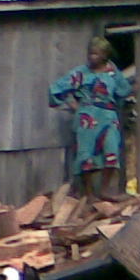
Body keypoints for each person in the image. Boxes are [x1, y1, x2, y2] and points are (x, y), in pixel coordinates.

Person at [49, 36, 132, 199]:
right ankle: (88, 194)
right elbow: (56, 88)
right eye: (90, 53)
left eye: (96, 54)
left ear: (105, 55)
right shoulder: (81, 73)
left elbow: (123, 90)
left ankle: (104, 190)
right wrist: (73, 104)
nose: (92, 57)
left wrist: (117, 103)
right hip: (88, 117)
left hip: (108, 116)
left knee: (111, 151)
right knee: (85, 154)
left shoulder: (113, 73)